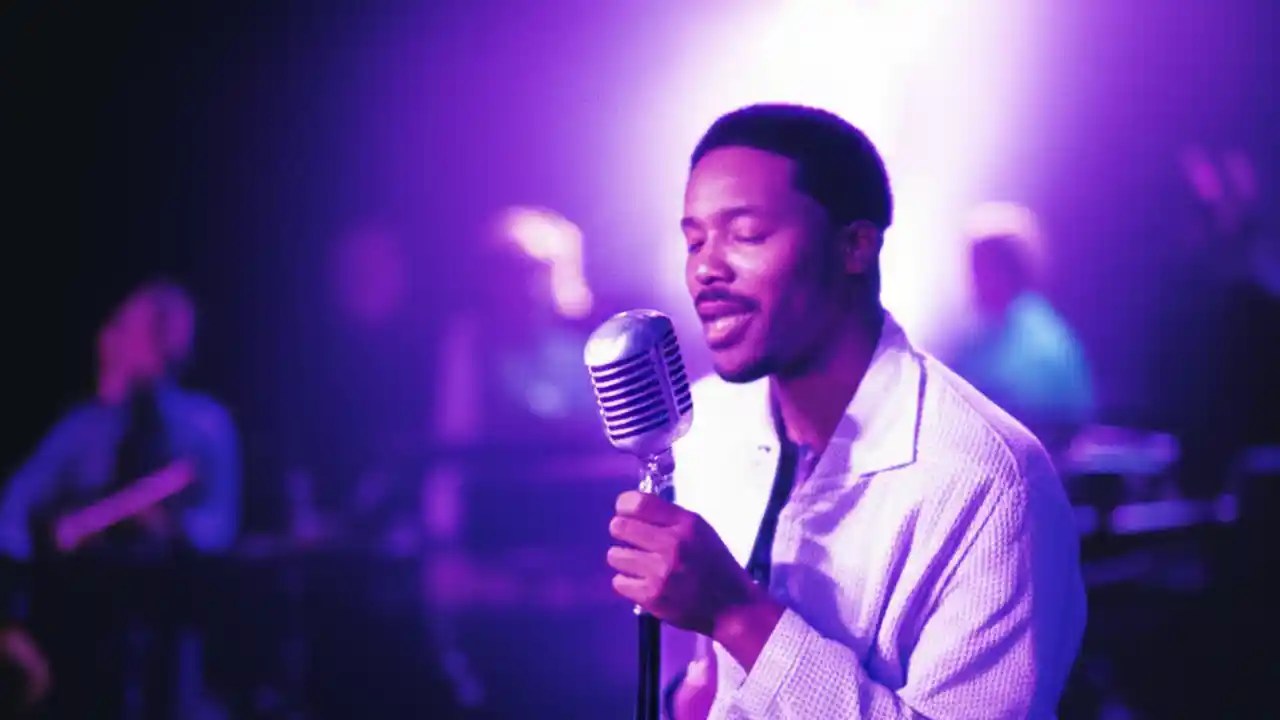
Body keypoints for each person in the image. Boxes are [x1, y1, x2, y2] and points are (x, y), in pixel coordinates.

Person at [604, 104, 1085, 719]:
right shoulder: (704, 430)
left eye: (746, 235)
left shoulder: (990, 481)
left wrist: (740, 616)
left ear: (855, 245)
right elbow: (697, 680)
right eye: (694, 240)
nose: (705, 267)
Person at [0, 279, 240, 718]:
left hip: (171, 632)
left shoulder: (206, 425)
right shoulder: (84, 428)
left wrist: (168, 528)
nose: (111, 338)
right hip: (88, 636)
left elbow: (219, 527)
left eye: (136, 329)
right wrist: (9, 614)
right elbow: (12, 515)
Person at [946, 202, 1094, 456]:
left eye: (981, 266)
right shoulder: (977, 336)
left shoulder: (1042, 339)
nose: (973, 278)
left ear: (1009, 267)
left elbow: (1050, 422)